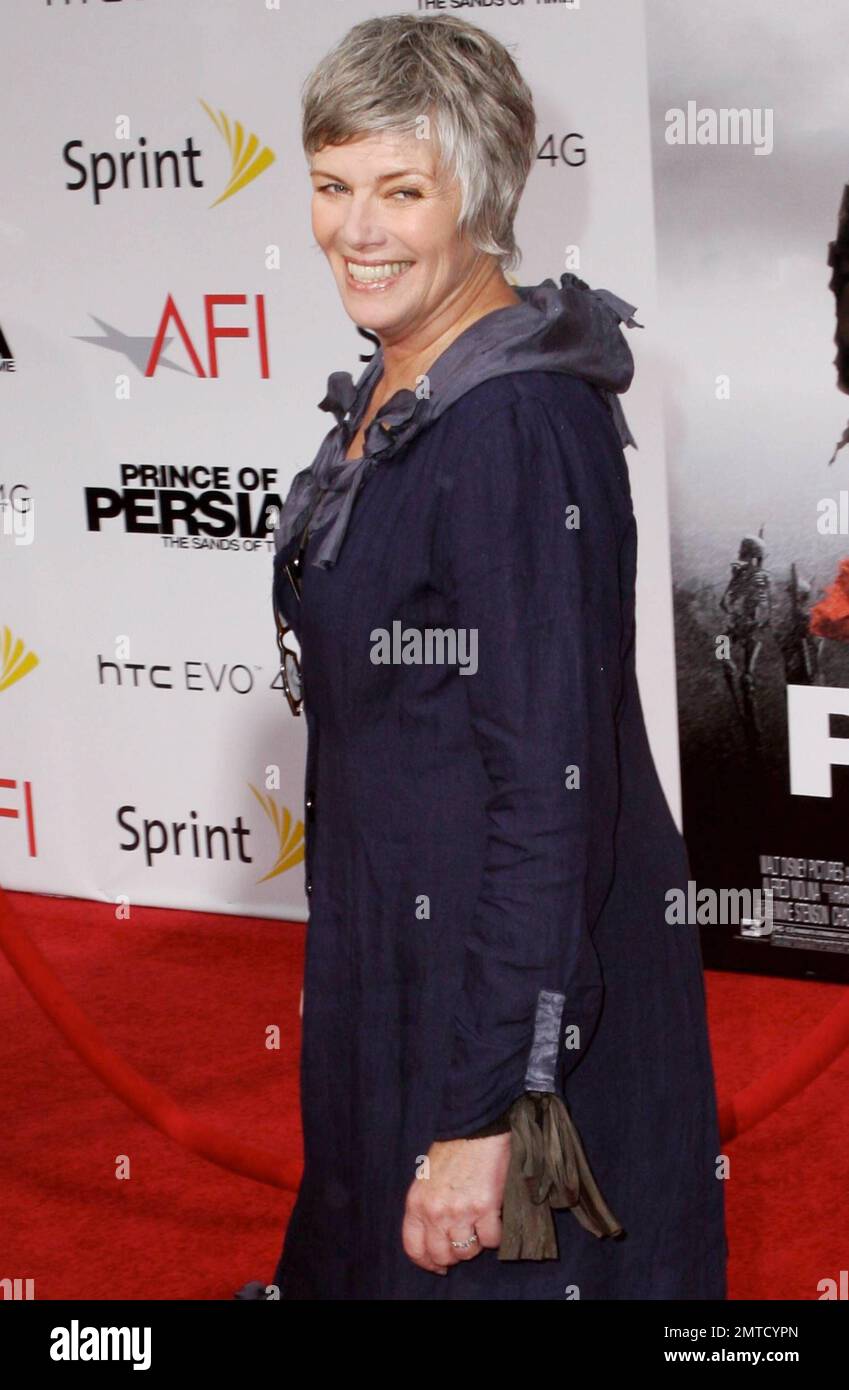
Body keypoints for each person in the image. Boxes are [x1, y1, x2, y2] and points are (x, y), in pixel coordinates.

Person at [268, 12, 727, 1300]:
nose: (357, 229)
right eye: (331, 184)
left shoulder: (516, 426)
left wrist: (490, 1114)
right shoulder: (403, 377)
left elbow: (549, 796)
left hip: (508, 976)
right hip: (402, 951)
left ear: (483, 197)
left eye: (400, 191)